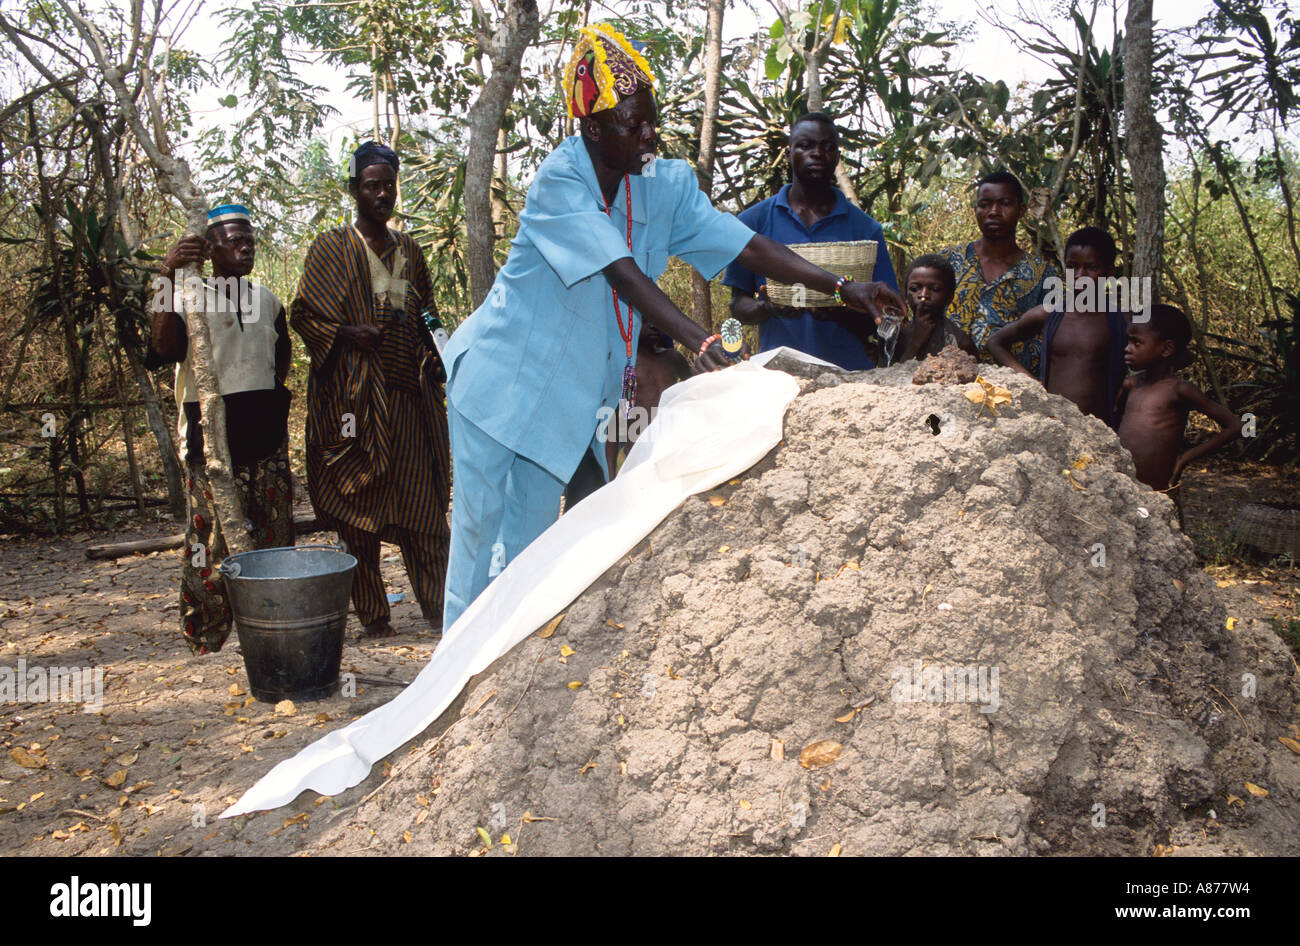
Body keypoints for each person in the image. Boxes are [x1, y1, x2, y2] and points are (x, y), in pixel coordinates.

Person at [440, 23, 905, 628]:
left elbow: (749, 246)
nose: (648, 134)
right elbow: (622, 273)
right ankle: (446, 695)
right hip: (498, 388)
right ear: (593, 129)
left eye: (650, 119)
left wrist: (843, 287)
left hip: (564, 404)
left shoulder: (664, 183)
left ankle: (490, 686)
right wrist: (699, 338)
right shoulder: (560, 182)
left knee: (524, 558)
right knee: (476, 549)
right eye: (633, 124)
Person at [291, 142, 451, 639]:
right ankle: (375, 619)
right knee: (356, 513)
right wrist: (346, 334)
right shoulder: (330, 248)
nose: (381, 194)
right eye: (371, 186)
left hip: (407, 401)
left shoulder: (410, 249)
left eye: (388, 185)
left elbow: (427, 314)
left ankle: (439, 611)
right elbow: (303, 314)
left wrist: (445, 355)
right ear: (355, 190)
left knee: (423, 511)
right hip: (351, 404)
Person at [147, 204, 294, 655]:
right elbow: (163, 349)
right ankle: (205, 637)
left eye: (249, 240)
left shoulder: (267, 300)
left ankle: (275, 628)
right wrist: (167, 272)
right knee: (207, 545)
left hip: (265, 442)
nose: (245, 248)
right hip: (211, 445)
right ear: (210, 249)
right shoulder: (187, 294)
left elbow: (281, 362)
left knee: (273, 537)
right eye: (234, 241)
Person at [724, 112, 899, 370]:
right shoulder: (753, 222)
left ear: (837, 157)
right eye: (805, 145)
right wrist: (768, 308)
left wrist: (842, 311)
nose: (817, 153)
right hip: (779, 376)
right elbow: (738, 305)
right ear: (788, 154)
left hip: (851, 378)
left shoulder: (865, 229)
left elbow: (887, 317)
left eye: (827, 147)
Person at [986, 227, 1129, 427]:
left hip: (1100, 430)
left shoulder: (1121, 320)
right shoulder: (1049, 313)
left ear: (1109, 272)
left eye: (1091, 267)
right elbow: (995, 342)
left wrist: (1132, 386)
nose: (1080, 275)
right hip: (1055, 426)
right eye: (1072, 267)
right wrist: (1030, 382)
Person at [941, 170, 1061, 372]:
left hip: (1014, 392)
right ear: (976, 209)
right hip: (947, 385)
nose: (994, 211)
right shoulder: (947, 262)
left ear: (1021, 210)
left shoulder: (1044, 275)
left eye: (1004, 203)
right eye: (985, 204)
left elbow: (1057, 340)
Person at [1116, 304, 1241, 493]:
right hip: (1120, 487)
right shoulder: (1130, 385)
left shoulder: (1179, 390)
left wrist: (1184, 458)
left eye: (1136, 343)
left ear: (1166, 349)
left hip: (1157, 493)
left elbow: (1237, 426)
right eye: (1127, 341)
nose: (1127, 349)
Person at [894, 254, 977, 362]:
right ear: (905, 293)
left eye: (935, 289)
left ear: (949, 296)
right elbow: (889, 375)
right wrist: (915, 343)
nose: (923, 295)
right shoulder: (897, 337)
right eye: (914, 288)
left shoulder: (960, 342)